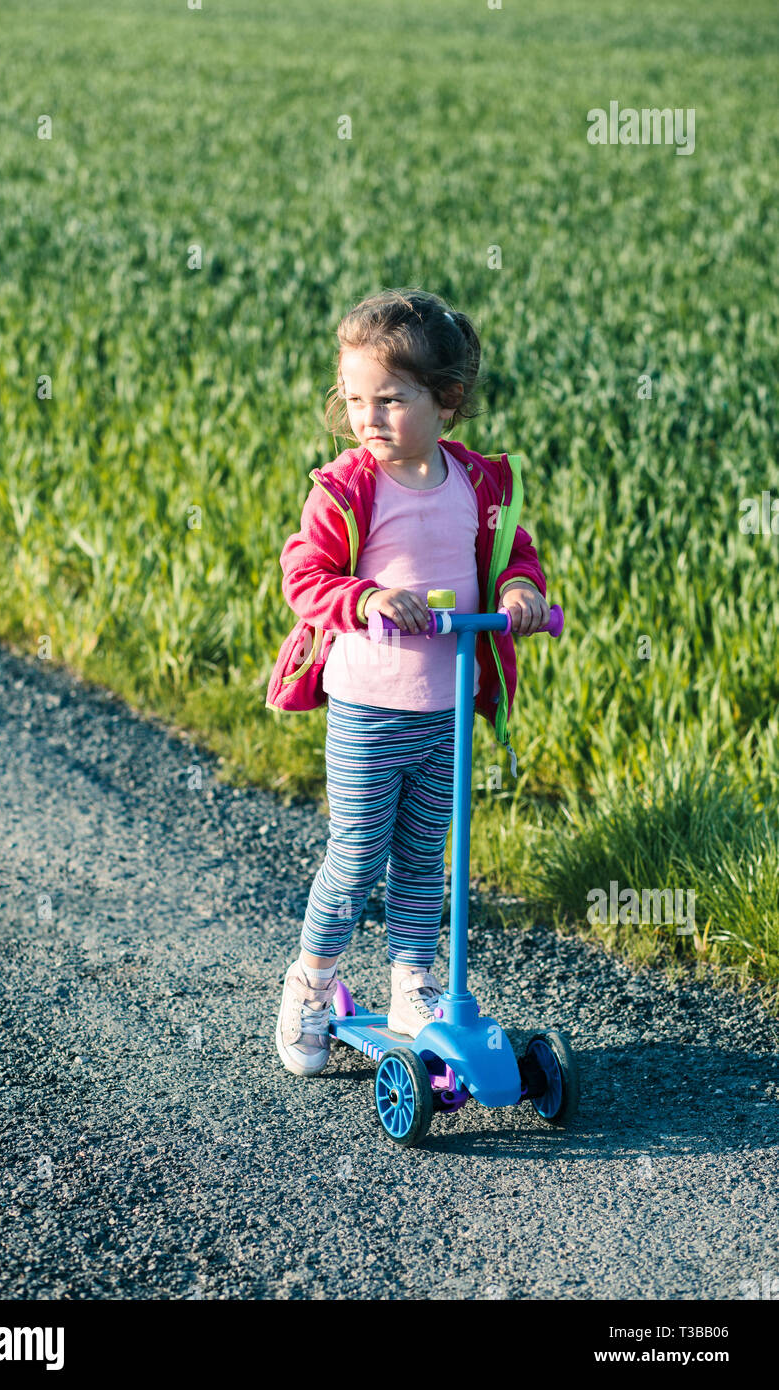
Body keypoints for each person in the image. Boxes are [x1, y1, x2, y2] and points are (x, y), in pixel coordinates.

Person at [271, 288, 549, 1077]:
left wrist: (517, 592)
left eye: (391, 400)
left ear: (447, 401)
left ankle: (411, 983)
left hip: (447, 707)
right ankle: (313, 981)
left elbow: (510, 553)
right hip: (368, 705)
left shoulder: (477, 485)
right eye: (355, 400)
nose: (369, 417)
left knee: (427, 854)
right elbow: (306, 576)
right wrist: (364, 597)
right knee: (357, 853)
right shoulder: (348, 488)